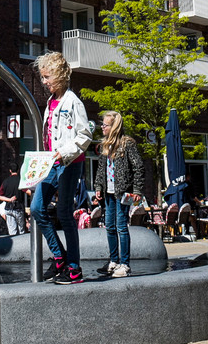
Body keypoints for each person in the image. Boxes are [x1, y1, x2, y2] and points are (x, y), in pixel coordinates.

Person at [32, 52, 94, 285]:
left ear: (59, 75)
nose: (44, 82)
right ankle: (60, 257)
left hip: (69, 163)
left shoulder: (73, 101)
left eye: (47, 77)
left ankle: (74, 269)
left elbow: (85, 135)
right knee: (37, 208)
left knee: (65, 214)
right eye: (43, 77)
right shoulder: (50, 103)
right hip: (51, 163)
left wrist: (64, 153)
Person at [93, 110, 144, 278]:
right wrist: (98, 186)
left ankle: (125, 264)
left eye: (105, 125)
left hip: (122, 192)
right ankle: (114, 260)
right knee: (110, 226)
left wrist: (136, 190)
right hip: (108, 193)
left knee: (121, 226)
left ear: (113, 127)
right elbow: (101, 169)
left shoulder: (127, 144)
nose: (102, 127)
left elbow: (138, 167)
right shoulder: (104, 145)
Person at [0, 166, 24, 235]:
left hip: (8, 208)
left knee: (12, 232)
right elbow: (27, 191)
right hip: (19, 208)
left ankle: (15, 244)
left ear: (10, 170)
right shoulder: (21, 181)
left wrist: (9, 199)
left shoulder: (5, 182)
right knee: (21, 231)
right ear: (18, 170)